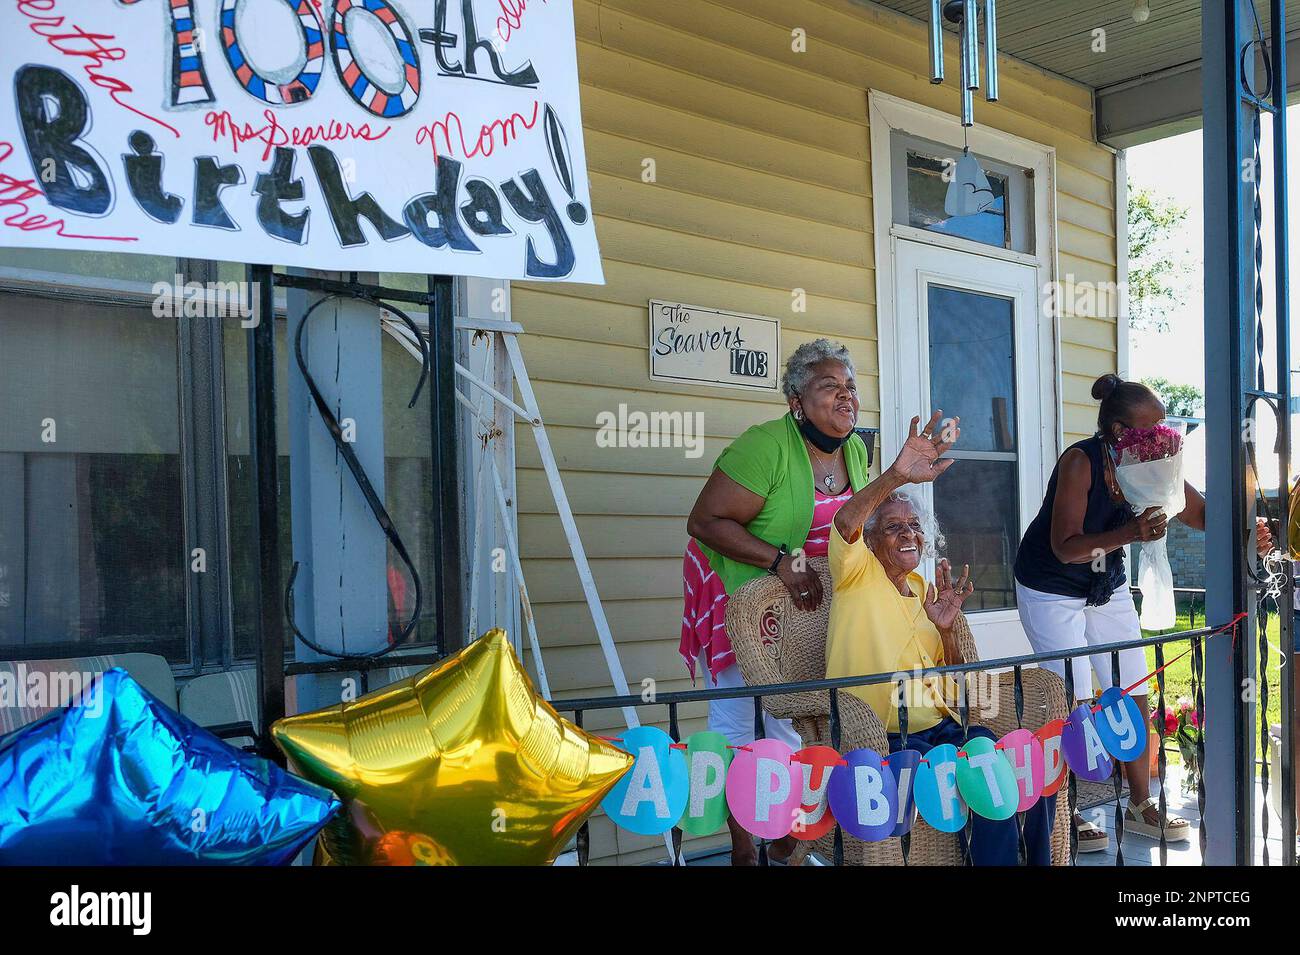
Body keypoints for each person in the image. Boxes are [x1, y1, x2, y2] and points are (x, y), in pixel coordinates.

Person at [1013, 373, 1271, 852]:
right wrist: (1131, 533)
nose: (1162, 436)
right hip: (1050, 585)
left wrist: (1248, 528)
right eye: (1150, 427)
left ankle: (1138, 806)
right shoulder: (1080, 462)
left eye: (1164, 425)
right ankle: (1066, 816)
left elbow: (1197, 513)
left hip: (1103, 584)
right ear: (1115, 432)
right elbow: (1065, 547)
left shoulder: (1155, 458)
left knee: (1132, 689)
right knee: (1067, 697)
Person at [826, 410, 1057, 864]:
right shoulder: (854, 574)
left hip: (943, 726)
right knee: (981, 780)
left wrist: (947, 632)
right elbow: (845, 523)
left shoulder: (921, 591)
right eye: (894, 527)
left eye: (914, 526)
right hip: (885, 737)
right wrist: (895, 476)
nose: (909, 534)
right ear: (871, 542)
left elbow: (952, 685)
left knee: (1026, 769)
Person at [683, 339, 871, 865]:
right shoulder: (763, 446)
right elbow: (705, 522)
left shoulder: (854, 448)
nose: (845, 397)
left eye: (850, 386)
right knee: (739, 724)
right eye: (828, 387)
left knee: (790, 721)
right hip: (743, 594)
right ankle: (744, 850)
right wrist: (780, 562)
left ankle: (785, 842)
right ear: (796, 401)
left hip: (802, 606)